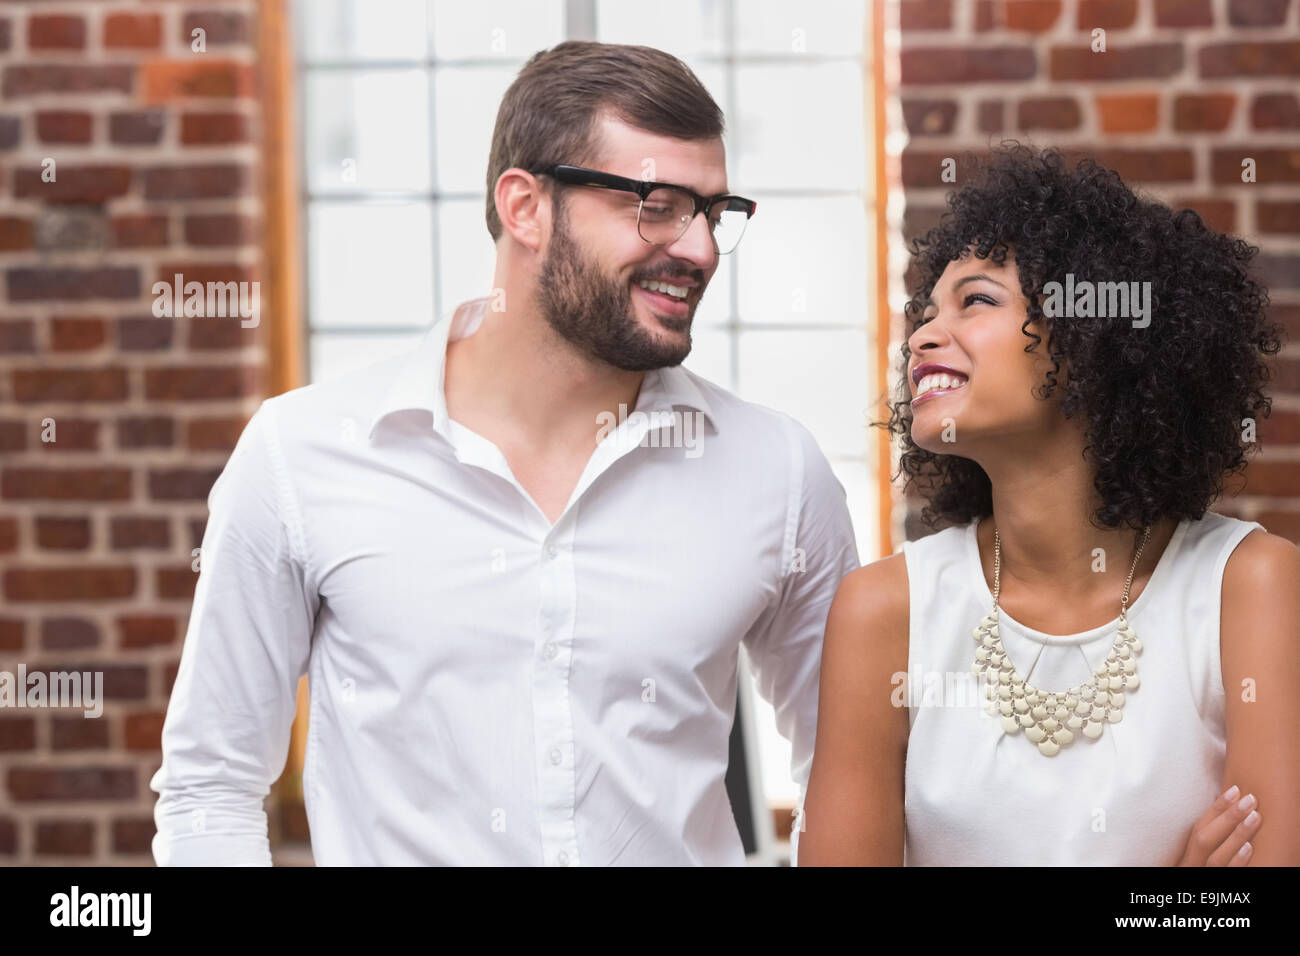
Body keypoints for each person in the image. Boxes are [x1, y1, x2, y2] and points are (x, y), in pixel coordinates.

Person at [150, 41, 859, 866]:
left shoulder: (777, 471)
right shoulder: (302, 455)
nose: (699, 249)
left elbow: (853, 772)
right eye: (657, 204)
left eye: (713, 211)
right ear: (525, 207)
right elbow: (211, 785)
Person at [798, 144, 1300, 866]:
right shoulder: (885, 611)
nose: (923, 336)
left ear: (1091, 337)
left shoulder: (1247, 586)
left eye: (975, 299)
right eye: (925, 311)